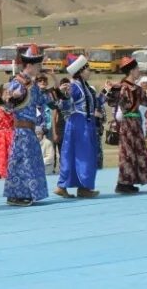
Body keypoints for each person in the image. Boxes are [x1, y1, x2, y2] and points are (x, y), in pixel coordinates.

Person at [3, 45, 53, 207]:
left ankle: (26, 194)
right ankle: (17, 195)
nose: (40, 68)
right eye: (38, 65)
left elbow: (44, 100)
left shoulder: (33, 84)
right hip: (21, 129)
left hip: (30, 130)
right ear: (29, 65)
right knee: (21, 162)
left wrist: (59, 90)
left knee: (29, 161)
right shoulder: (17, 83)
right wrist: (14, 97)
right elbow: (7, 105)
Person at [54, 56, 101, 199]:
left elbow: (94, 103)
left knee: (75, 154)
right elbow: (66, 105)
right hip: (79, 124)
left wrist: (106, 92)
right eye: (88, 69)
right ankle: (83, 187)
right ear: (81, 71)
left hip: (84, 123)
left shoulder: (84, 86)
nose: (90, 71)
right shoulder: (75, 86)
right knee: (83, 155)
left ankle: (70, 186)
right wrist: (63, 94)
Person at [108, 56, 147, 194]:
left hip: (136, 123)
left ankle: (131, 180)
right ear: (132, 71)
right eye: (137, 69)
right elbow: (111, 102)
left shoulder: (137, 88)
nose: (139, 71)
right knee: (127, 152)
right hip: (127, 123)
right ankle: (122, 183)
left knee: (136, 151)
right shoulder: (121, 87)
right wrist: (112, 91)